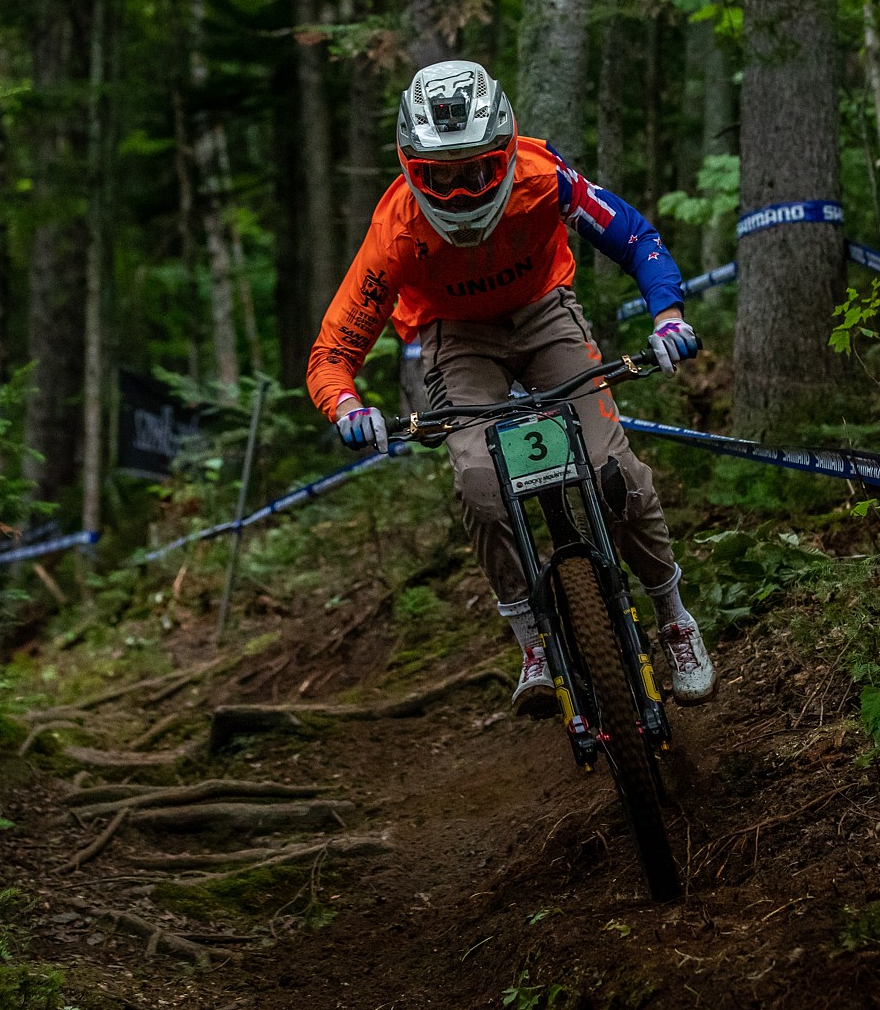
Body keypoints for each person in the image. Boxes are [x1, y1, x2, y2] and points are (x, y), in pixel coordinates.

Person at [305, 60, 714, 717]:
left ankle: (673, 615)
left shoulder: (542, 179)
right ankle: (532, 638)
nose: (462, 190)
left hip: (544, 311)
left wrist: (668, 316)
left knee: (613, 471)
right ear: (413, 166)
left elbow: (635, 235)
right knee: (478, 480)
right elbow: (331, 353)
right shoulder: (396, 232)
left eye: (475, 169)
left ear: (501, 152)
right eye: (441, 175)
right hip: (457, 337)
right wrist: (347, 405)